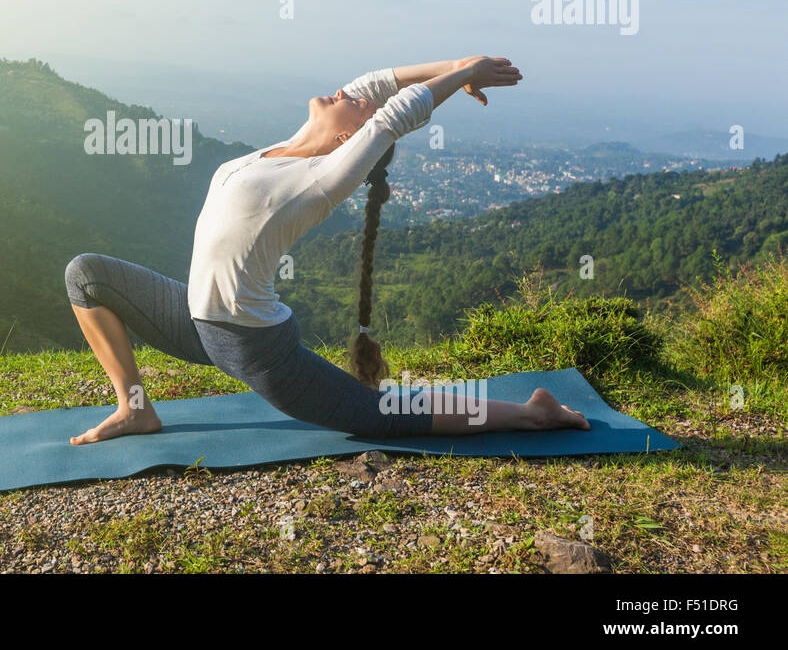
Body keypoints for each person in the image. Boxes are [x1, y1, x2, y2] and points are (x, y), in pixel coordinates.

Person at [63, 56, 590, 445]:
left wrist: (462, 74)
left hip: (254, 346)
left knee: (380, 415)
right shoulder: (282, 150)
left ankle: (530, 414)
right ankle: (135, 409)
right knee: (86, 275)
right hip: (198, 321)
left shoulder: (322, 179)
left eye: (352, 104)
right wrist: (455, 63)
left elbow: (393, 114)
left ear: (350, 141)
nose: (345, 91)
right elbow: (378, 85)